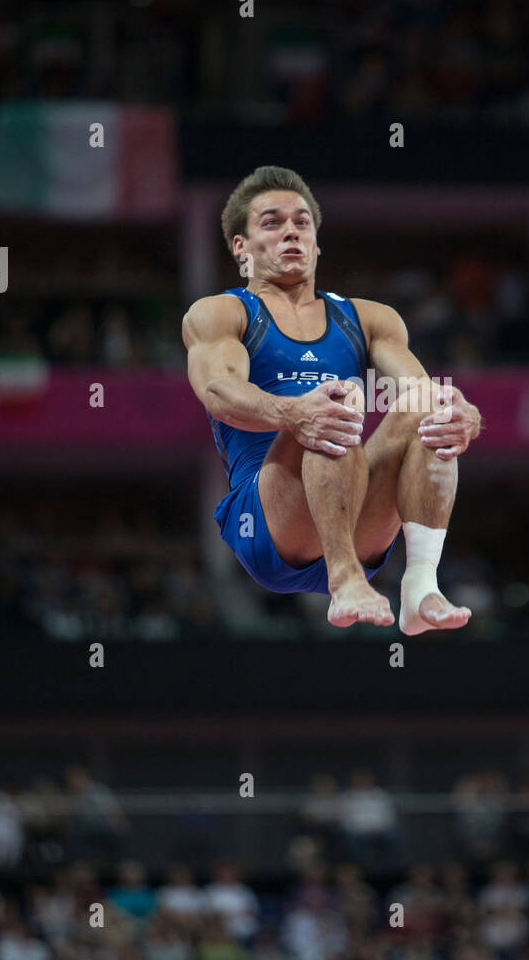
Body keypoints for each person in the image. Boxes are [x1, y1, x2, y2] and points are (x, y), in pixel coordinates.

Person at [183, 166, 482, 630]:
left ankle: (420, 585)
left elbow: (419, 389)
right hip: (269, 523)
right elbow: (218, 391)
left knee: (431, 403)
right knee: (334, 404)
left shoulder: (368, 318)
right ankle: (343, 579)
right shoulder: (224, 312)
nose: (291, 232)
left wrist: (463, 415)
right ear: (241, 247)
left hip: (351, 506)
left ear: (318, 243)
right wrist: (295, 413)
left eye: (302, 223)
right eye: (271, 222)